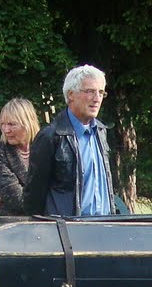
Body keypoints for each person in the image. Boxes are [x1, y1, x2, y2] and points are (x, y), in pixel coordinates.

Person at [25, 66, 115, 217]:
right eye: (90, 91)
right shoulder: (51, 137)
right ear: (71, 95)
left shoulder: (101, 131)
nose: (97, 98)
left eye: (101, 92)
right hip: (68, 232)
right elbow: (34, 196)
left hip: (103, 229)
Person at [0, 98, 40, 216]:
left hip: (47, 226)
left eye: (12, 124)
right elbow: (16, 200)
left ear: (28, 123)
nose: (6, 130)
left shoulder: (46, 147)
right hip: (9, 225)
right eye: (3, 124)